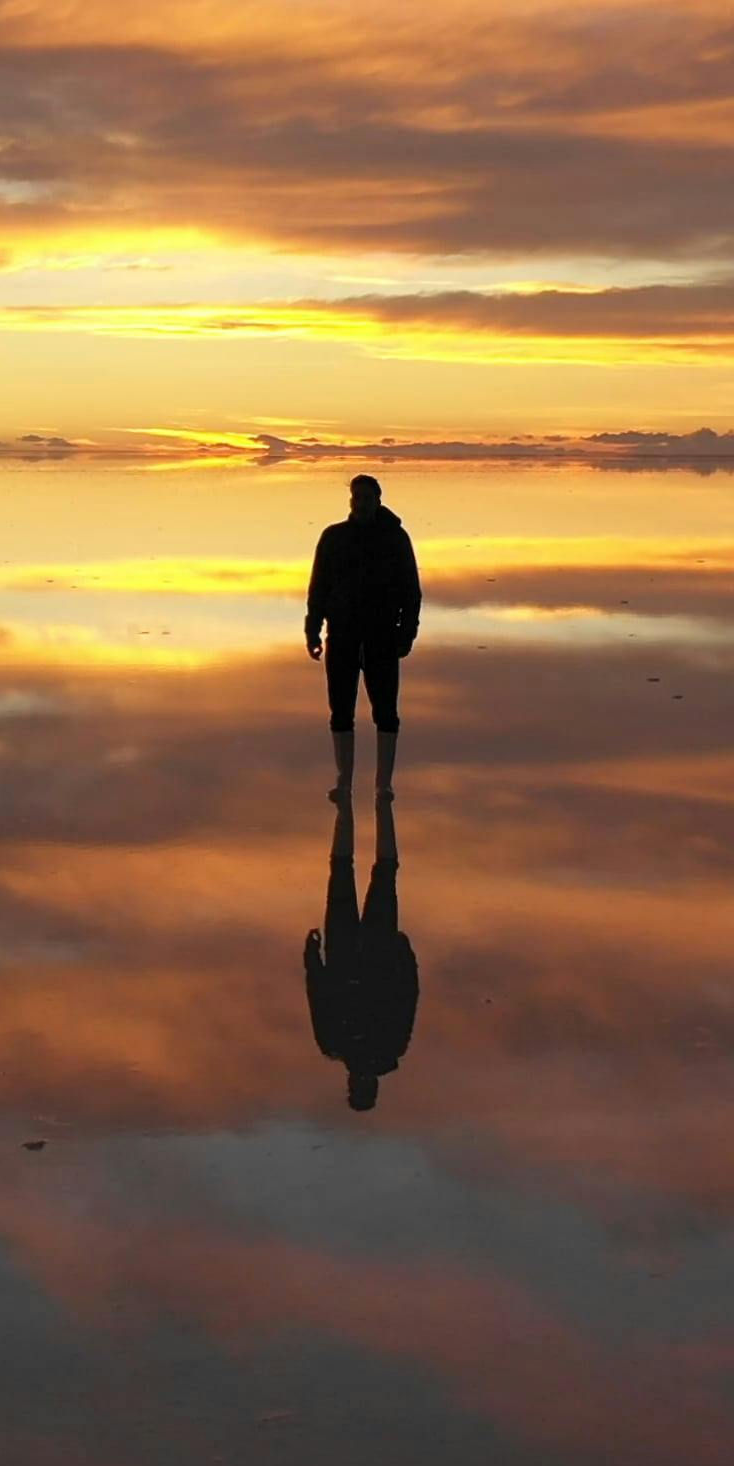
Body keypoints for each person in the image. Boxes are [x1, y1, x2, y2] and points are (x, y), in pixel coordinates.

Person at [302, 784, 417, 1111]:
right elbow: (407, 996)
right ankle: (360, 805)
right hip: (361, 952)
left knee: (378, 873)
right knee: (349, 871)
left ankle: (367, 805)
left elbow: (408, 997)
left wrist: (406, 955)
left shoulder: (380, 1046)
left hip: (365, 952)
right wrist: (311, 958)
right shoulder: (337, 1045)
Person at [304, 473, 423, 742]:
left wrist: (406, 635)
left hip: (382, 637)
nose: (361, 503)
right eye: (357, 497)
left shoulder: (395, 538)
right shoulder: (334, 537)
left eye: (367, 498)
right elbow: (319, 588)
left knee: (386, 714)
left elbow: (410, 592)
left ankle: (386, 772)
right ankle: (342, 770)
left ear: (378, 500)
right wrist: (312, 631)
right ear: (351, 501)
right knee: (340, 713)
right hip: (341, 635)